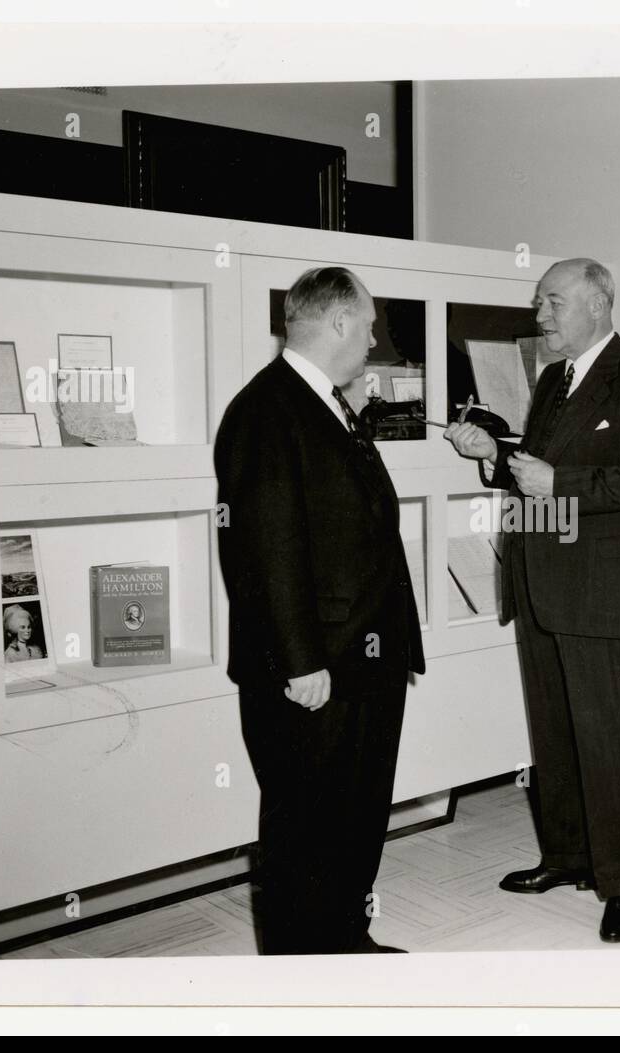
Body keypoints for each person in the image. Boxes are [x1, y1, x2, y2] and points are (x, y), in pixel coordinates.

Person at [445, 258, 620, 942]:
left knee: (612, 741)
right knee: (555, 735)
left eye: (552, 301)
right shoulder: (553, 379)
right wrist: (492, 455)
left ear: (598, 305)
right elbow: (533, 474)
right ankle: (569, 857)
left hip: (605, 594)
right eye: (538, 302)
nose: (539, 314)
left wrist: (561, 481)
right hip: (541, 585)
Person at [214, 266, 424, 955]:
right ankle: (301, 972)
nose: (373, 337)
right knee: (304, 826)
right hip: (315, 670)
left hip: (362, 657)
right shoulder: (267, 409)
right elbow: (266, 549)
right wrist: (301, 661)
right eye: (367, 323)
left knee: (356, 813)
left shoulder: (327, 402)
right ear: (336, 322)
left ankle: (345, 942)